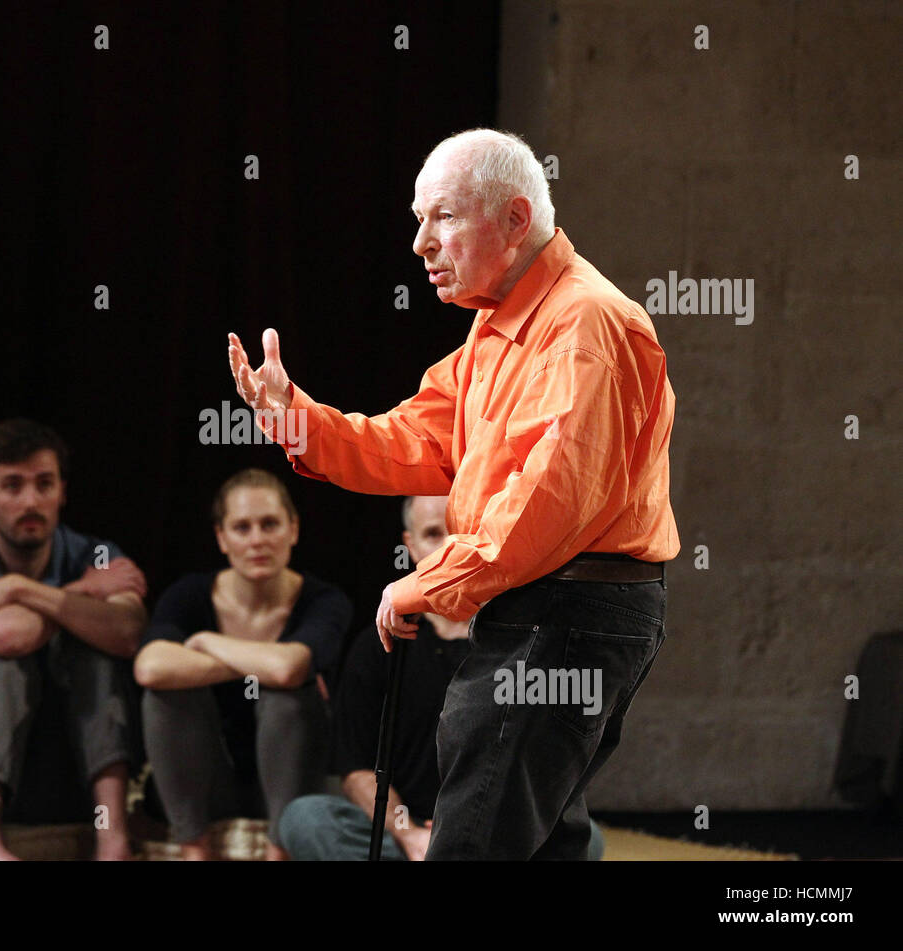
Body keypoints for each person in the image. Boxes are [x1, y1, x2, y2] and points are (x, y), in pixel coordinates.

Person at [228, 128, 679, 860]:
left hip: (569, 610)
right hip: (552, 608)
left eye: (440, 216)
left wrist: (428, 583)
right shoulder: (497, 328)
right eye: (417, 220)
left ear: (513, 219)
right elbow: (411, 441)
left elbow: (548, 501)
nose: (419, 244)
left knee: (475, 837)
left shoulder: (586, 321)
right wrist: (294, 418)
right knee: (538, 843)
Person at [278, 496, 605, 860]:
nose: (450, 547)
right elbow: (356, 769)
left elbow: (539, 766)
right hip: (402, 830)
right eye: (434, 534)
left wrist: (473, 829)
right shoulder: (381, 643)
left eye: (461, 532)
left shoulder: (521, 639)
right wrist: (412, 836)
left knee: (587, 838)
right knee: (305, 818)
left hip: (492, 831)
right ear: (411, 544)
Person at [0, 418, 146, 861]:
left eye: (45, 484)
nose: (31, 501)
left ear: (63, 492)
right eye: (12, 486)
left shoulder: (95, 553)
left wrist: (16, 591)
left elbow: (128, 633)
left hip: (79, 761)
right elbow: (2, 636)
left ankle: (112, 840)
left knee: (94, 652)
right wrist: (80, 592)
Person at [134, 468, 351, 860]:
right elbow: (149, 667)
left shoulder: (324, 600)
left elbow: (288, 672)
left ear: (293, 529)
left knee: (287, 695)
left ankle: (278, 851)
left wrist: (206, 643)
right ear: (221, 537)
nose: (257, 541)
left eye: (269, 525)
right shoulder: (190, 595)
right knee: (164, 695)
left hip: (296, 785)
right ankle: (193, 850)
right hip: (210, 781)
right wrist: (261, 661)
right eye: (242, 527)